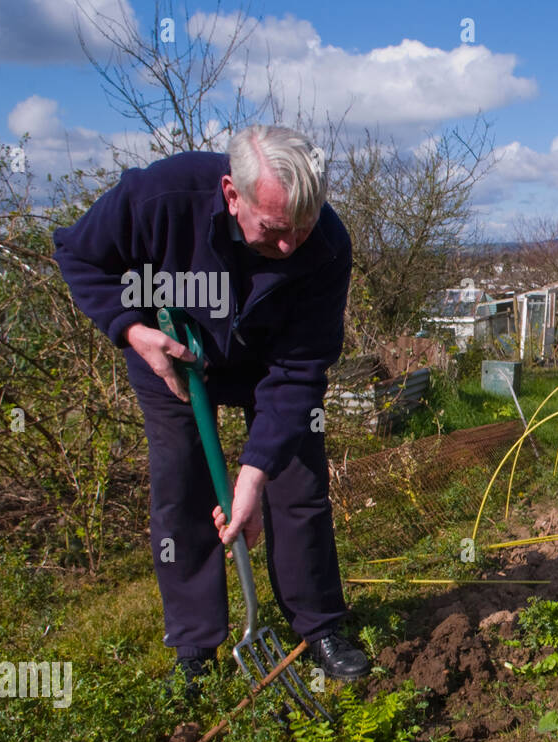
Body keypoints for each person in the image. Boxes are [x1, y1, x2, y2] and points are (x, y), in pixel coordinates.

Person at [54, 125, 369, 691]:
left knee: (296, 479)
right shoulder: (158, 198)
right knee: (182, 482)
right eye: (273, 230)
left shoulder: (326, 245)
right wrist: (130, 330)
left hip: (267, 363)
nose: (288, 247)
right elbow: (78, 252)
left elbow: (299, 370)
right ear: (231, 194)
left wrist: (252, 475)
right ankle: (196, 643)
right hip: (172, 350)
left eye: (301, 229)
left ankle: (318, 625)